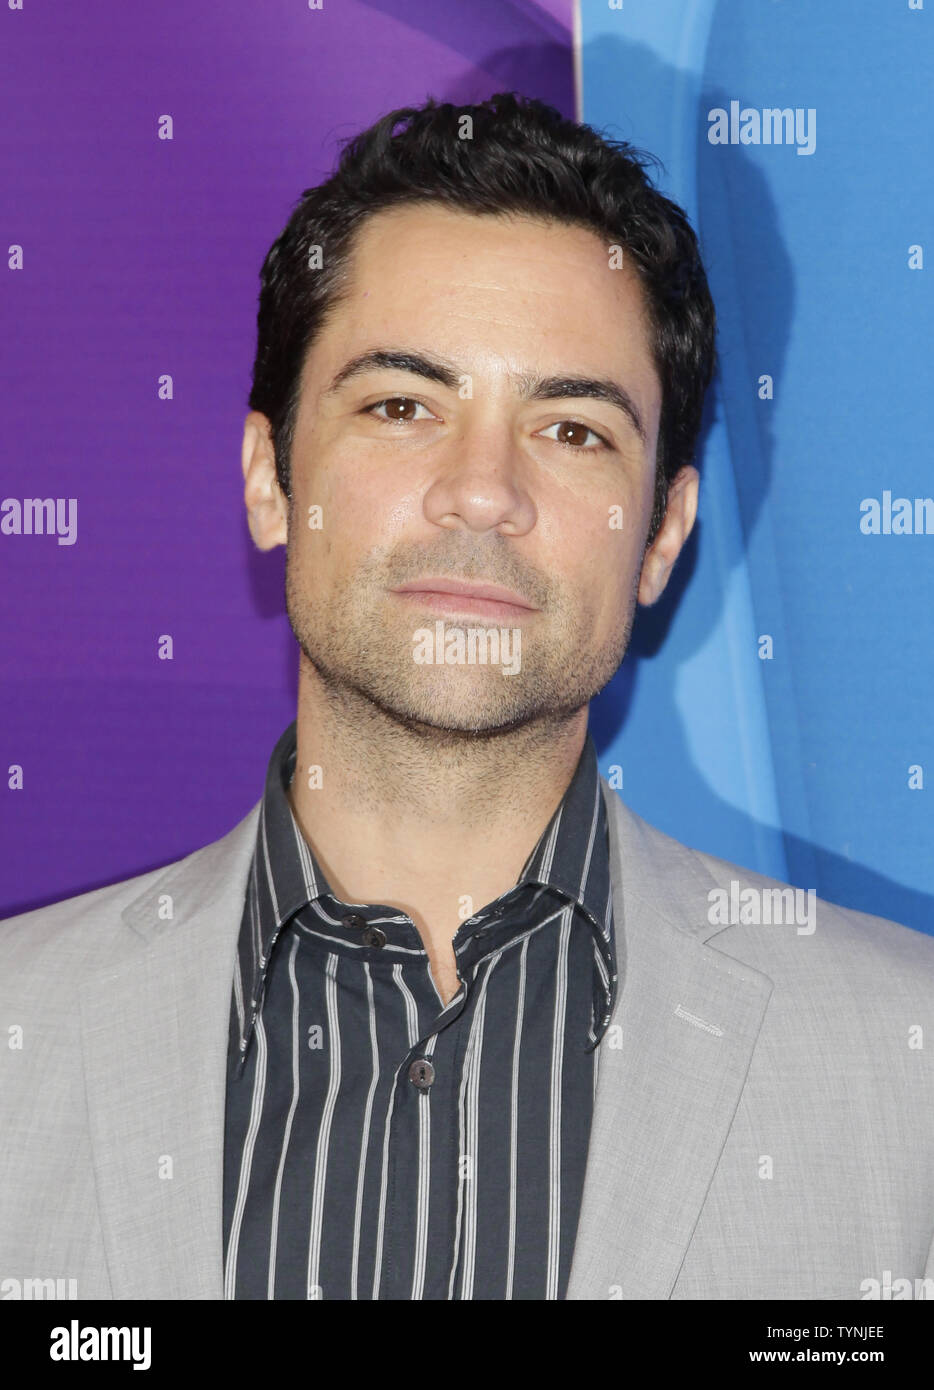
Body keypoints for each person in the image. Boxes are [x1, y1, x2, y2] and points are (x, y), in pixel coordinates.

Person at [1, 92, 932, 1303]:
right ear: (269, 480)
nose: (482, 491)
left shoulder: (902, 1074)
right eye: (401, 406)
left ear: (662, 535)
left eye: (573, 427)